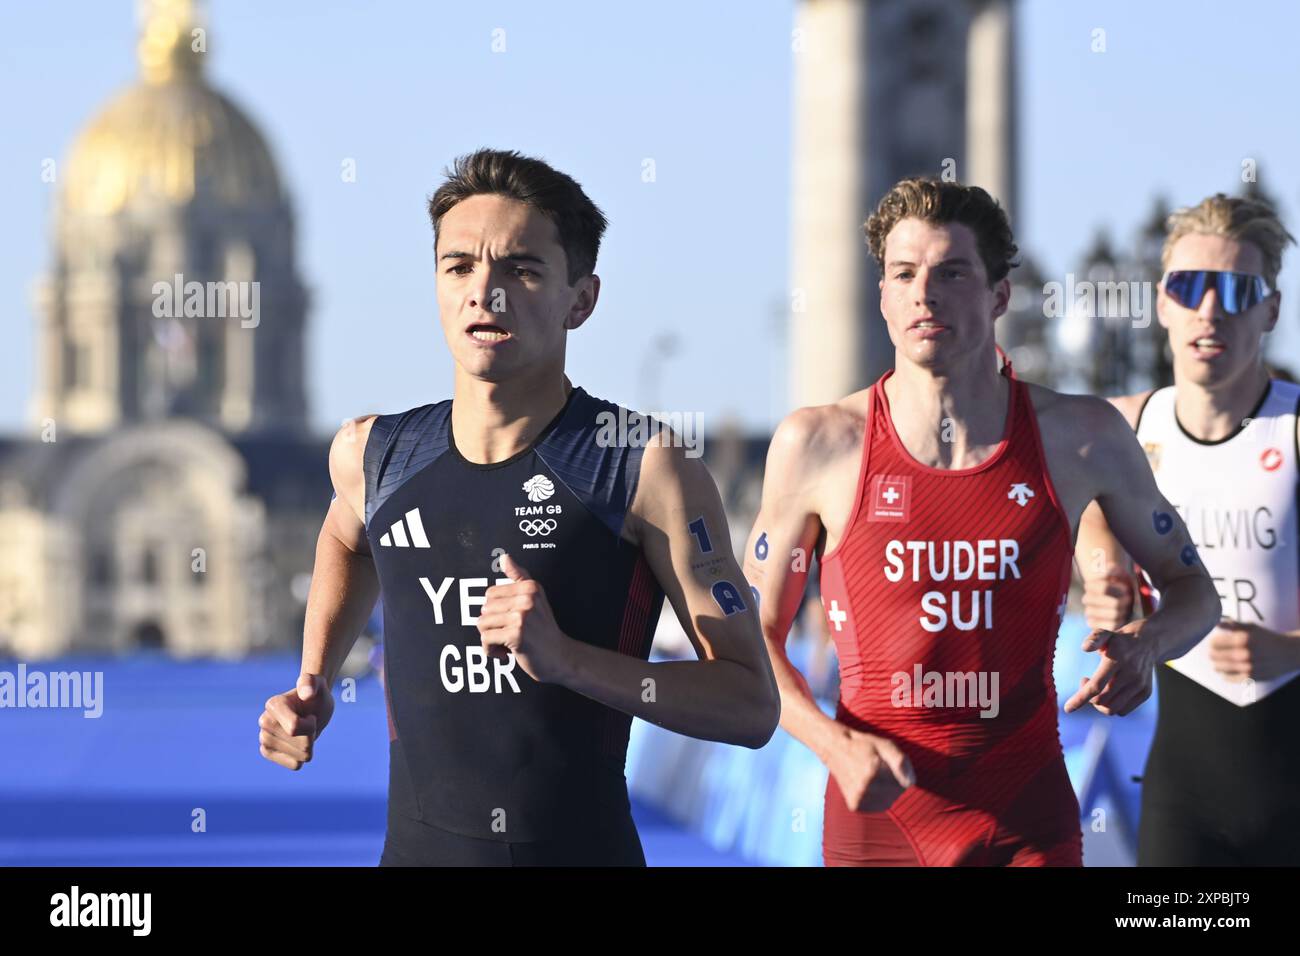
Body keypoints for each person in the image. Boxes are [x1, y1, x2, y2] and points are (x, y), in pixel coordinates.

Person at [257, 148, 780, 866]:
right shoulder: (371, 454)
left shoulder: (642, 466)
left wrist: (566, 661)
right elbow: (347, 541)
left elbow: (750, 705)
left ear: (581, 300)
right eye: (459, 267)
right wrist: (313, 678)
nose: (485, 293)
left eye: (521, 270)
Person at [744, 177, 1221, 866]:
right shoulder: (818, 443)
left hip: (1026, 818)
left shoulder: (1080, 436)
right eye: (903, 274)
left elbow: (1194, 590)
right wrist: (832, 743)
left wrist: (1147, 645)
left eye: (952, 272)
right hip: (881, 822)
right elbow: (748, 637)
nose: (924, 294)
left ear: (999, 295)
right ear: (882, 296)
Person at [1075, 192, 1300, 865]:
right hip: (1184, 797)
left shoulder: (1291, 429)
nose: (1209, 310)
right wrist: (1104, 573)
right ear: (1162, 303)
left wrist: (1293, 651)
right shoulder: (1121, 427)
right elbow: (1090, 517)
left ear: (1271, 310)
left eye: (1236, 290)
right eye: (1189, 286)